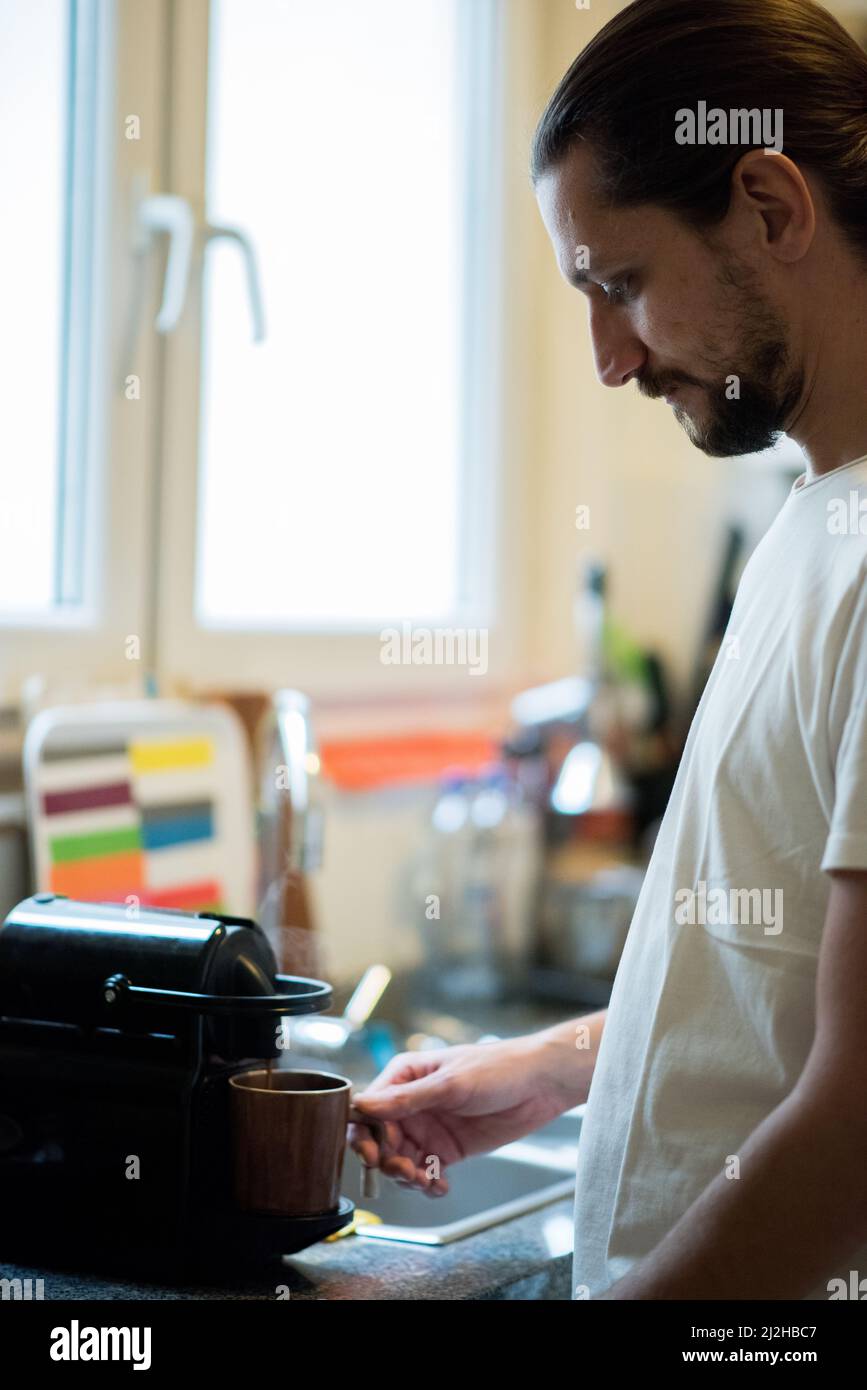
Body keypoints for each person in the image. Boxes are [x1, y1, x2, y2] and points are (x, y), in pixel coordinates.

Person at [349, 0, 867, 1300]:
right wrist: (549, 1069)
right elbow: (773, 978)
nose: (609, 356)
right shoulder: (815, 516)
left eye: (620, 283)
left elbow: (854, 1126)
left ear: (769, 206)